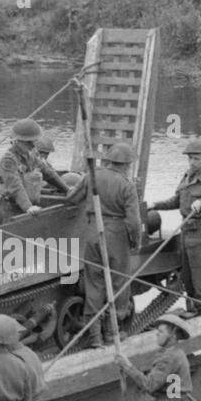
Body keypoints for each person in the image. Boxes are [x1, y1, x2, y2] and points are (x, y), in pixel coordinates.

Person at [69, 141, 142, 345]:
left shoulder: (92, 176)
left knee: (94, 283)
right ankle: (112, 333)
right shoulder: (127, 186)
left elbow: (72, 198)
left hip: (93, 234)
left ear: (109, 160)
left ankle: (94, 337)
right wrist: (135, 242)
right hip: (117, 237)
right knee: (118, 282)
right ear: (126, 165)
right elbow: (134, 221)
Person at [151, 136, 201, 314]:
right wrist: (155, 205)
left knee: (200, 277)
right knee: (187, 276)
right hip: (186, 233)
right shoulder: (186, 176)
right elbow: (177, 201)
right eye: (190, 158)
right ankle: (192, 309)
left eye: (197, 159)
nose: (192, 162)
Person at [118, 313, 192, 401]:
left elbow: (150, 385)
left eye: (161, 331)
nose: (156, 334)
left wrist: (127, 366)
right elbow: (166, 395)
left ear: (173, 335)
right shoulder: (176, 354)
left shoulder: (168, 358)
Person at [0, 119, 68, 226]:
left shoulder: (32, 155)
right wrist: (29, 207)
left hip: (23, 209)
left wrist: (66, 189)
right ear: (17, 141)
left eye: (34, 141)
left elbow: (48, 173)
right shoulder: (8, 160)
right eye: (28, 142)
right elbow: (15, 186)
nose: (33, 145)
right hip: (6, 210)